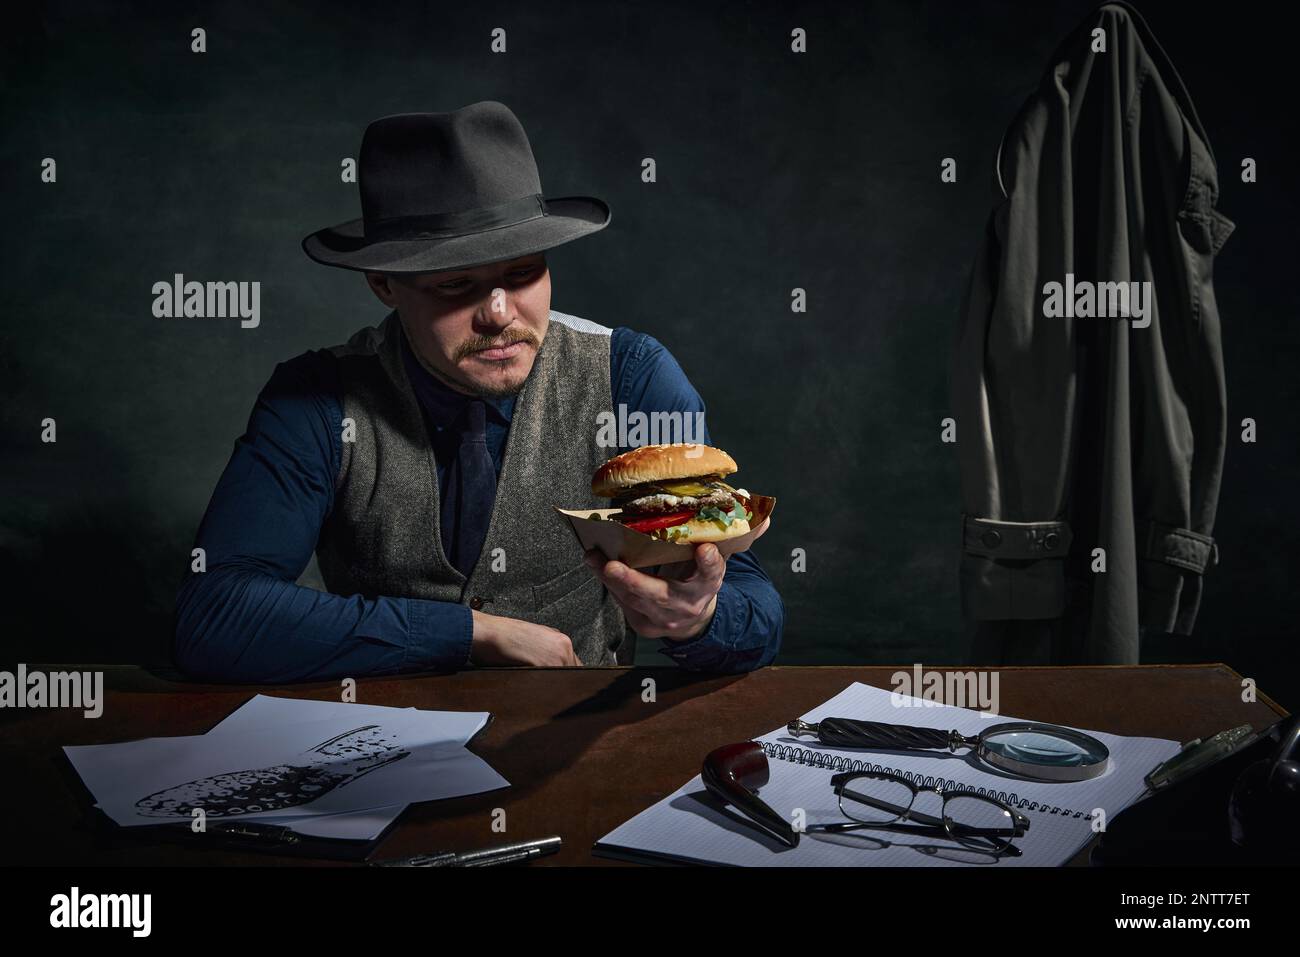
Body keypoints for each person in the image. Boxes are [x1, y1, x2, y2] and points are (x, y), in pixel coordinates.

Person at [172, 101, 783, 683]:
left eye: (523, 274)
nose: (498, 315)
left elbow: (755, 608)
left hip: (575, 753)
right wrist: (465, 632)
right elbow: (215, 617)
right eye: (457, 285)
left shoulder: (631, 377)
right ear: (383, 283)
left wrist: (699, 622)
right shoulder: (315, 398)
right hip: (380, 742)